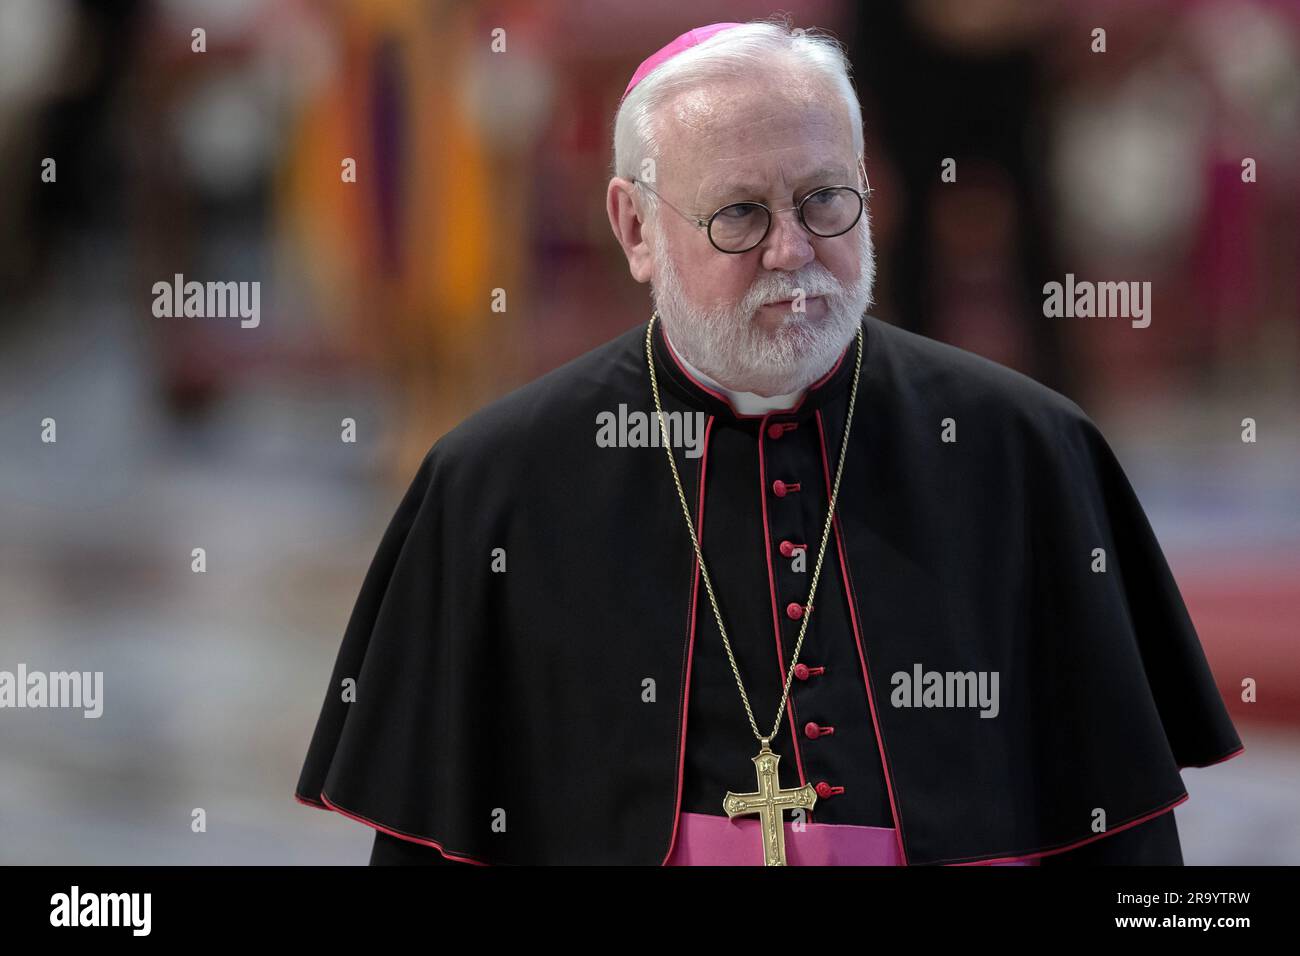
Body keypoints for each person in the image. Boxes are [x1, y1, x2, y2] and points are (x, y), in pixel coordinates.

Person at [295, 19, 1242, 867]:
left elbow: (1124, 850)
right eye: (740, 214)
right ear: (635, 229)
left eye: (826, 201)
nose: (792, 252)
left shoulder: (1028, 453)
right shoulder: (495, 486)